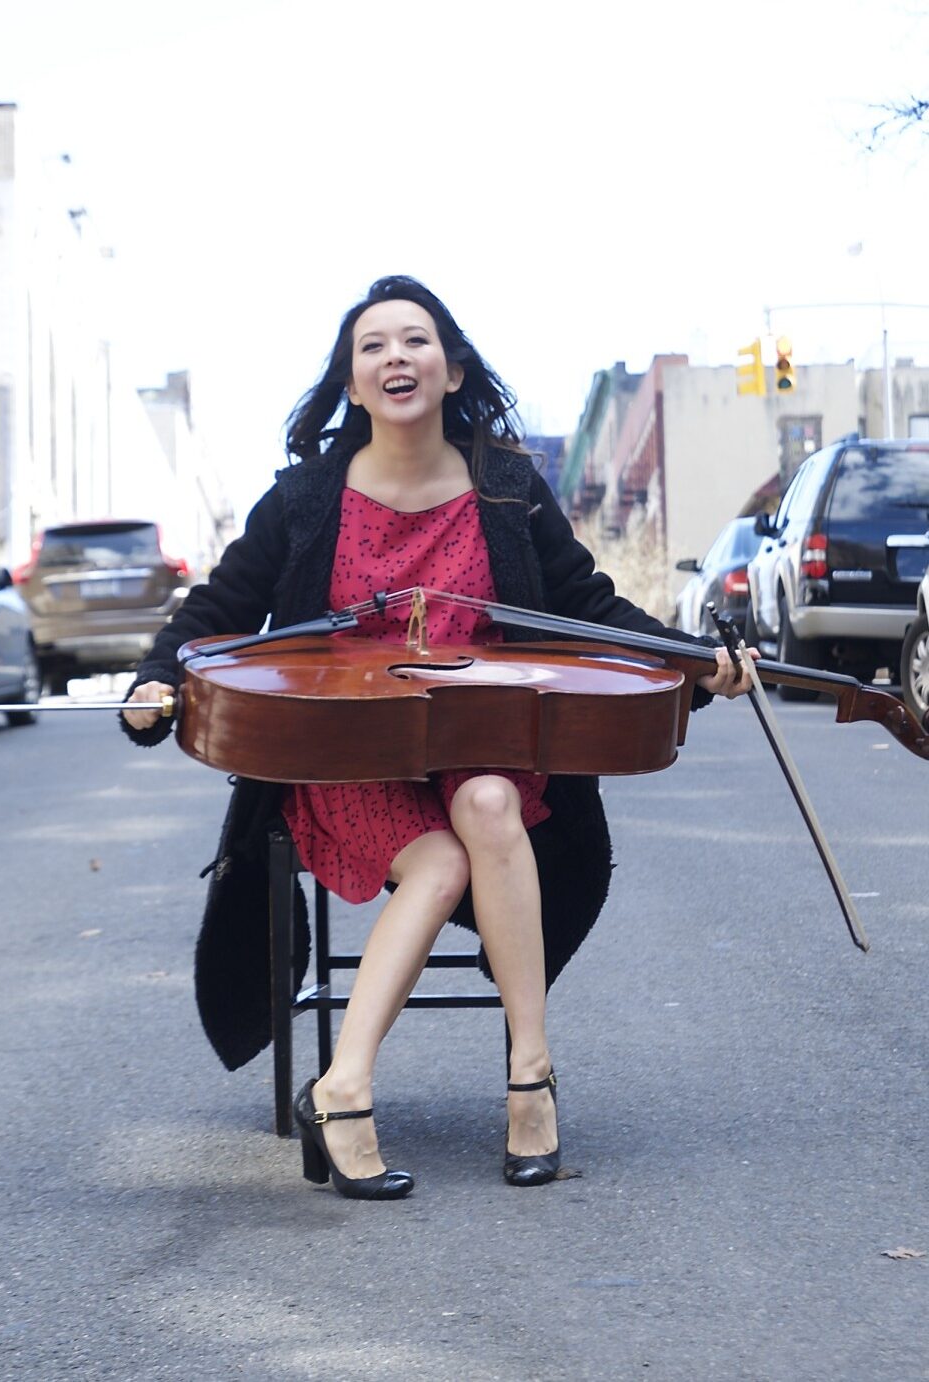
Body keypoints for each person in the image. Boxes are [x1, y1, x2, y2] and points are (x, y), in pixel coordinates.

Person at [122, 275, 753, 1201]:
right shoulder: (305, 500)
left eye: (414, 341)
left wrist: (692, 658)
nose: (395, 358)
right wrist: (158, 675)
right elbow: (221, 606)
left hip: (478, 735)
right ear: (351, 381)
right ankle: (343, 1090)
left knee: (493, 805)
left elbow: (582, 602)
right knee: (439, 864)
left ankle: (530, 1076)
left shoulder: (503, 488)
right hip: (345, 751)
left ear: (452, 369)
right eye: (372, 347)